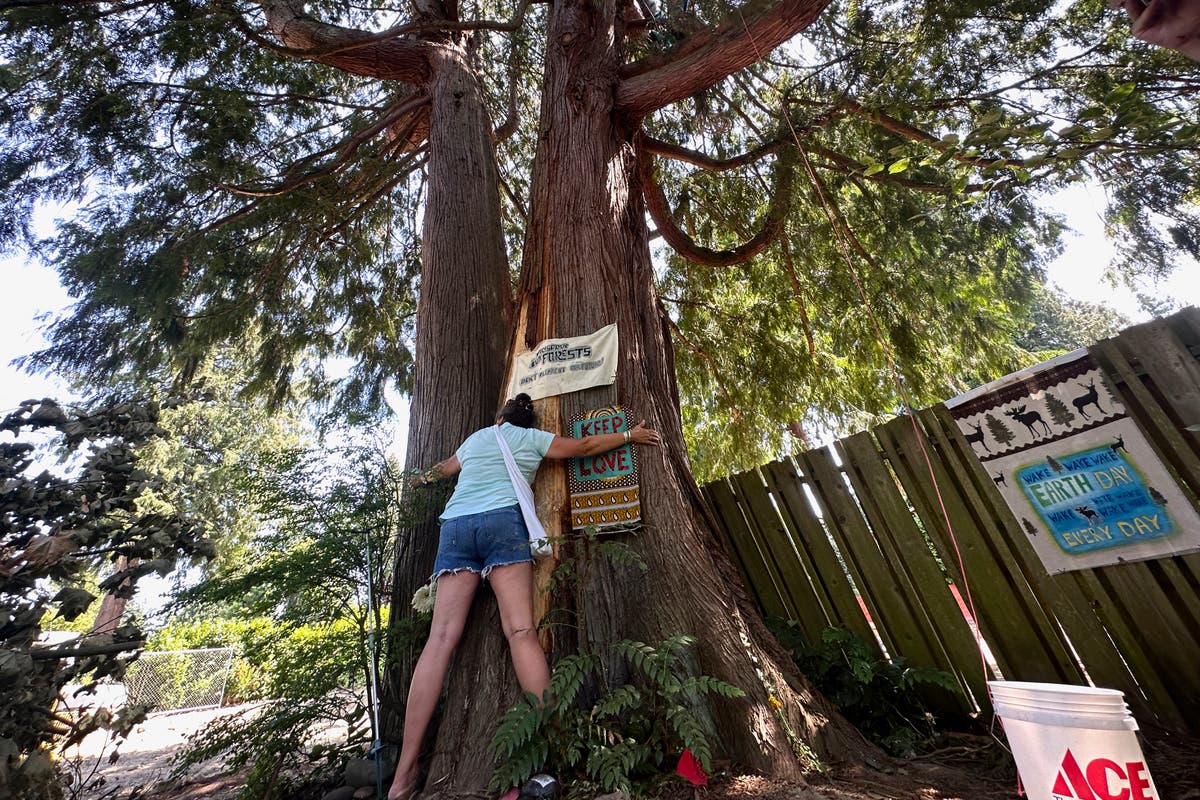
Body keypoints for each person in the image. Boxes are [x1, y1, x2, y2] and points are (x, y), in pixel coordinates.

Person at [388, 393, 661, 800]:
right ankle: (556, 741)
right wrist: (629, 434)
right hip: (503, 522)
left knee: (440, 640)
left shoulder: (477, 439)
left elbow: (441, 471)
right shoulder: (532, 439)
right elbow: (583, 447)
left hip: (457, 527)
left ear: (499, 417)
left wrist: (415, 478)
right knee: (520, 632)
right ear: (526, 420)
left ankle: (403, 776)